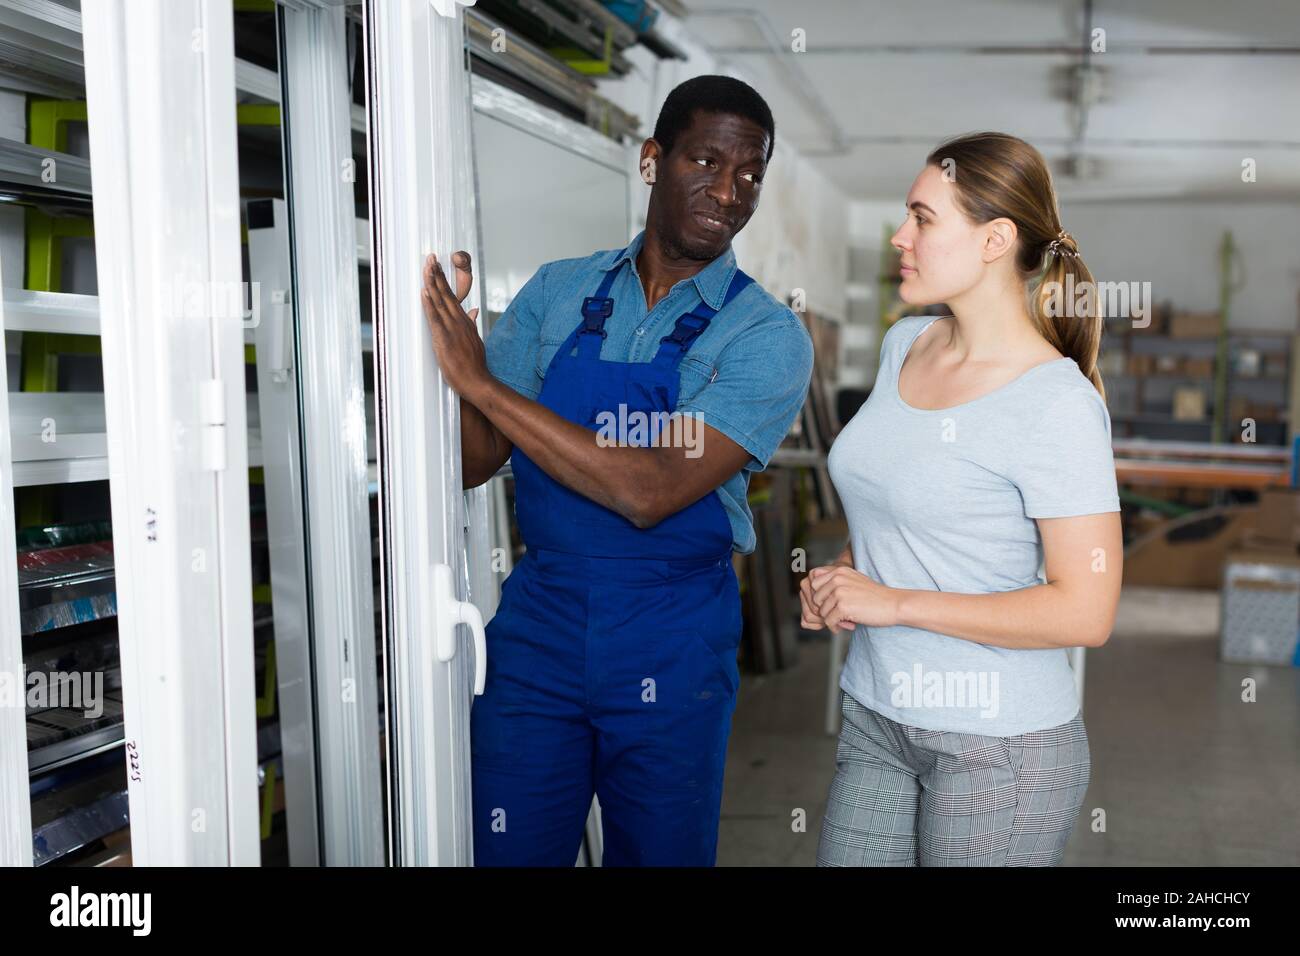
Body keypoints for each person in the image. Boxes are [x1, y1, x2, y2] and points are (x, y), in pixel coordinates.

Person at [419, 75, 814, 866]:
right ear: (651, 160)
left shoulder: (766, 336)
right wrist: (445, 347)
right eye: (706, 161)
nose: (729, 192)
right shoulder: (557, 293)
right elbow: (475, 462)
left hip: (672, 642)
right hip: (540, 629)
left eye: (750, 175)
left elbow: (649, 491)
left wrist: (485, 385)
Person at [804, 131, 1122, 866]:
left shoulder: (1056, 403)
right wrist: (841, 580)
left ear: (994, 240)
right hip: (877, 717)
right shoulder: (904, 344)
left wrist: (895, 602)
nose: (900, 236)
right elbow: (903, 502)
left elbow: (1086, 611)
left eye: (922, 217)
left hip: (1000, 745)